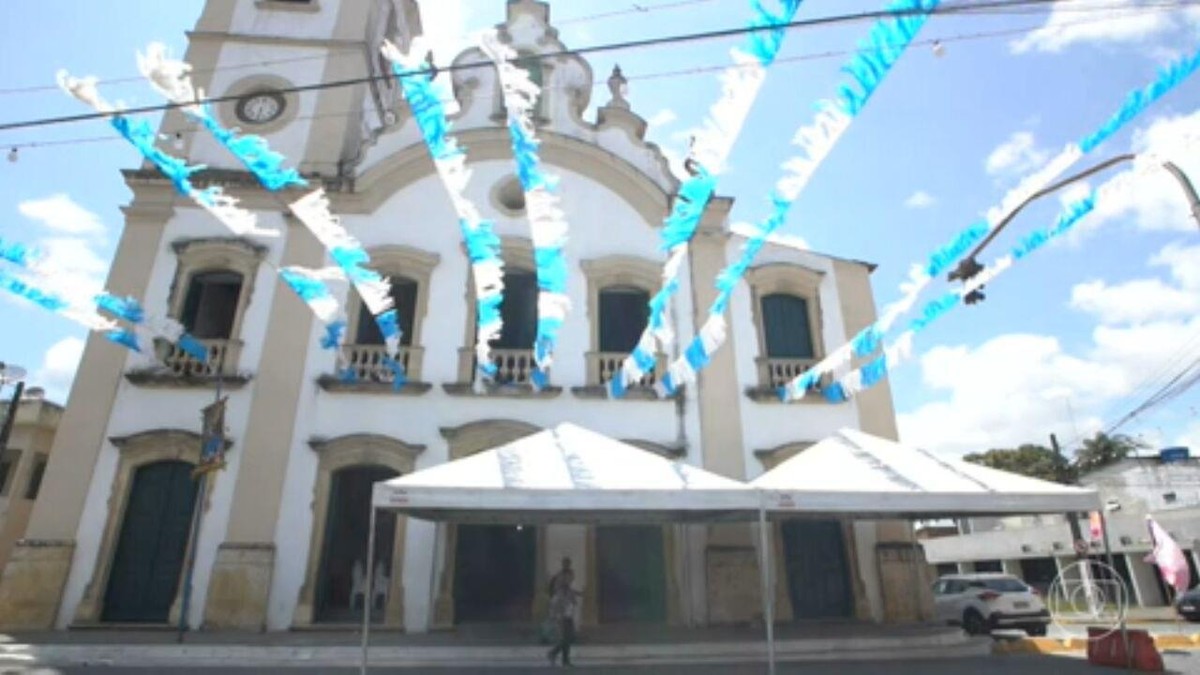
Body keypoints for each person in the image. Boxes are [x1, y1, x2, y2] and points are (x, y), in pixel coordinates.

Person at [546, 557, 579, 667]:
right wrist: (555, 616)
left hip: (567, 613)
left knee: (569, 637)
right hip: (562, 614)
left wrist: (577, 596)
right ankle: (554, 654)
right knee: (565, 637)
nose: (570, 579)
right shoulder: (559, 589)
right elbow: (556, 602)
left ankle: (563, 659)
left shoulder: (568, 588)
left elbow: (571, 593)